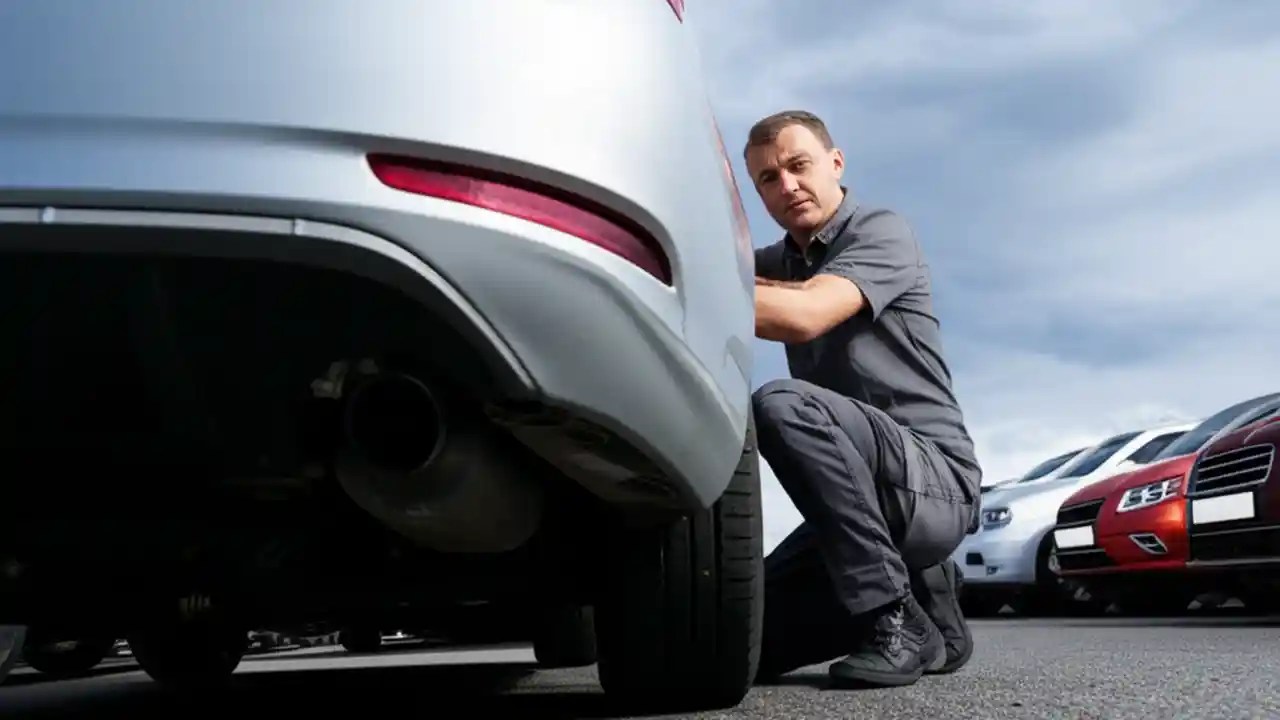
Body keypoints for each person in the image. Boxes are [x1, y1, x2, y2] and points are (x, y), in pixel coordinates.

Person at [743, 110, 983, 688]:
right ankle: (931, 599)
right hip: (864, 499)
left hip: (934, 482)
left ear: (835, 163)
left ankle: (892, 619)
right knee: (735, 644)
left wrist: (690, 290)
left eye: (799, 166)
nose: (787, 185)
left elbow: (804, 314)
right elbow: (720, 269)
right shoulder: (777, 264)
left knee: (783, 405)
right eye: (769, 178)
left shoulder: (880, 230)